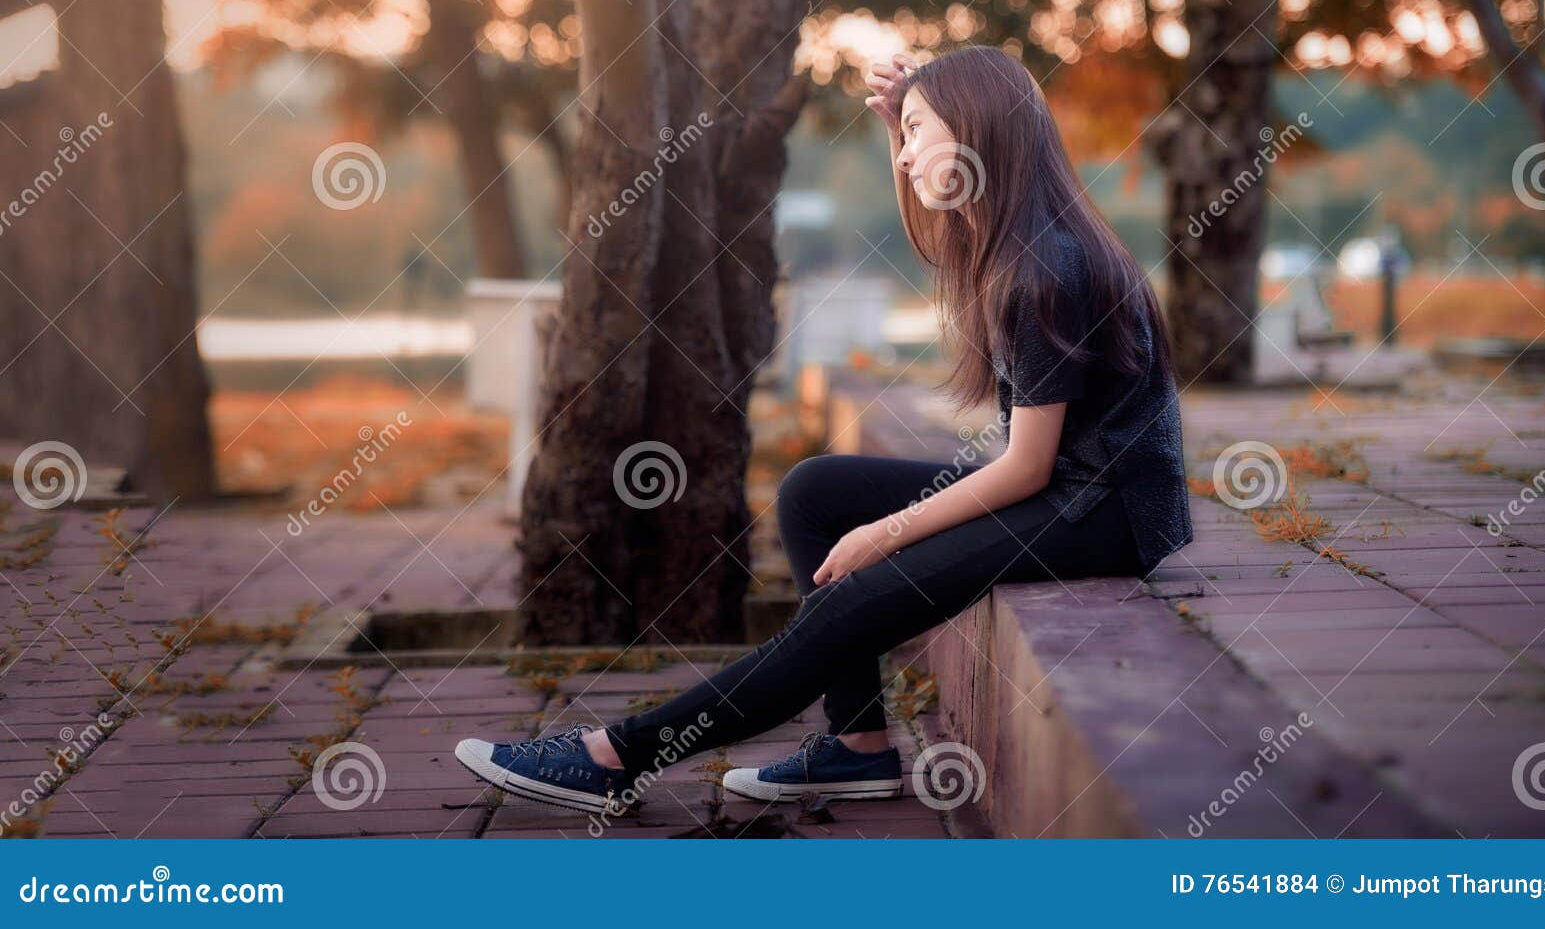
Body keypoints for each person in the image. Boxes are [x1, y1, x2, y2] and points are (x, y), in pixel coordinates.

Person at [454, 45, 1193, 815]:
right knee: (817, 491)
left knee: (849, 597)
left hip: (1105, 513)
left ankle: (615, 756)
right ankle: (856, 747)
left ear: (976, 131)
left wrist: (890, 533)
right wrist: (901, 121)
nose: (906, 158)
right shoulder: (1012, 245)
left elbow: (1027, 469)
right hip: (1071, 490)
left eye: (916, 133)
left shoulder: (1045, 271)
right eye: (901, 138)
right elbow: (940, 230)